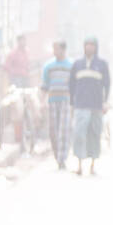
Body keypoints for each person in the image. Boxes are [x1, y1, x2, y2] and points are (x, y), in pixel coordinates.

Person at [69, 36, 110, 174]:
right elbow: (71, 85)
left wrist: (105, 102)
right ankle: (79, 165)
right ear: (83, 46)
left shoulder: (102, 65)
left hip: (96, 105)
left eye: (92, 45)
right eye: (87, 45)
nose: (89, 47)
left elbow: (107, 84)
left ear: (96, 47)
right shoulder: (77, 64)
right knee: (79, 134)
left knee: (94, 134)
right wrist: (71, 104)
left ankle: (92, 164)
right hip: (80, 105)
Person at [41, 39, 72, 169]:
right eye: (53, 49)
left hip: (66, 101)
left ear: (63, 49)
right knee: (53, 130)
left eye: (56, 48)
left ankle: (62, 158)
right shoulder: (48, 66)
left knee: (64, 129)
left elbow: (74, 85)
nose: (54, 51)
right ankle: (57, 155)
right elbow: (44, 86)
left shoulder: (71, 65)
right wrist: (42, 102)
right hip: (52, 101)